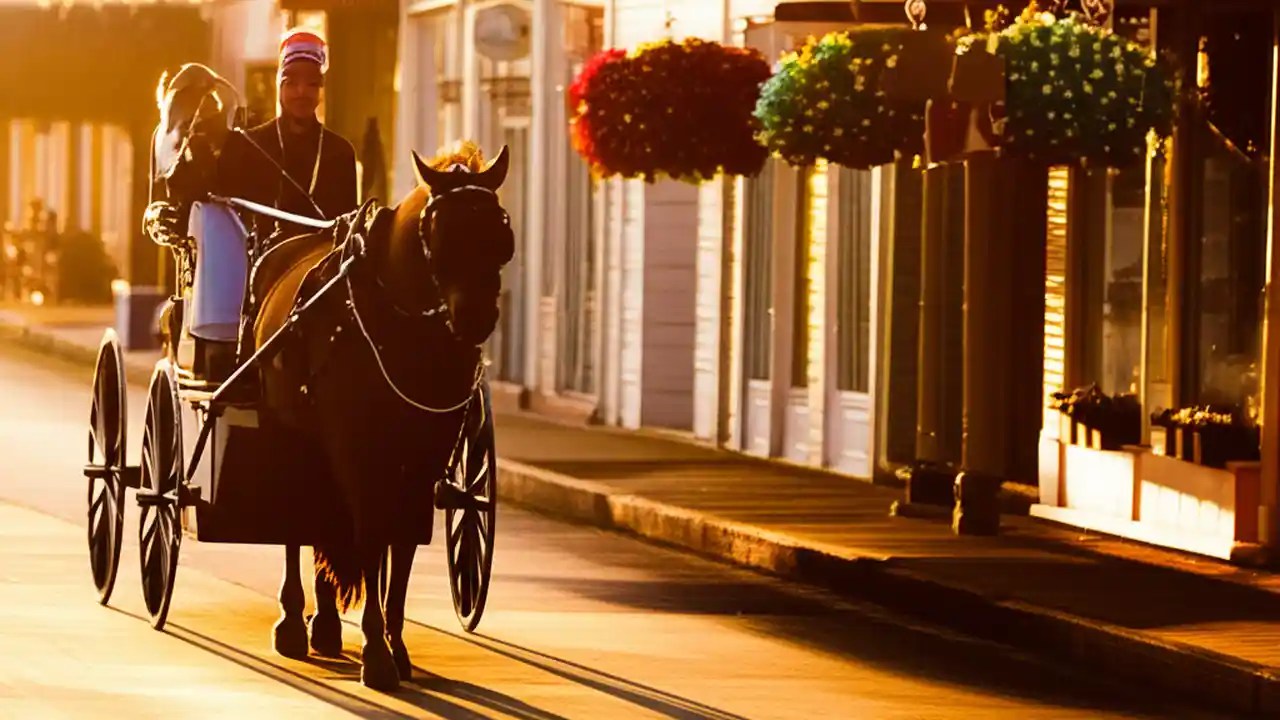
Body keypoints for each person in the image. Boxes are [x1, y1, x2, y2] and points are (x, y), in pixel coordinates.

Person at [215, 29, 359, 250]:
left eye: (312, 84)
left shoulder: (340, 152)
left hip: (323, 274)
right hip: (256, 275)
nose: (301, 92)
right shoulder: (247, 145)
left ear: (321, 90)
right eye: (291, 83)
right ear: (279, 86)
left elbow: (347, 232)